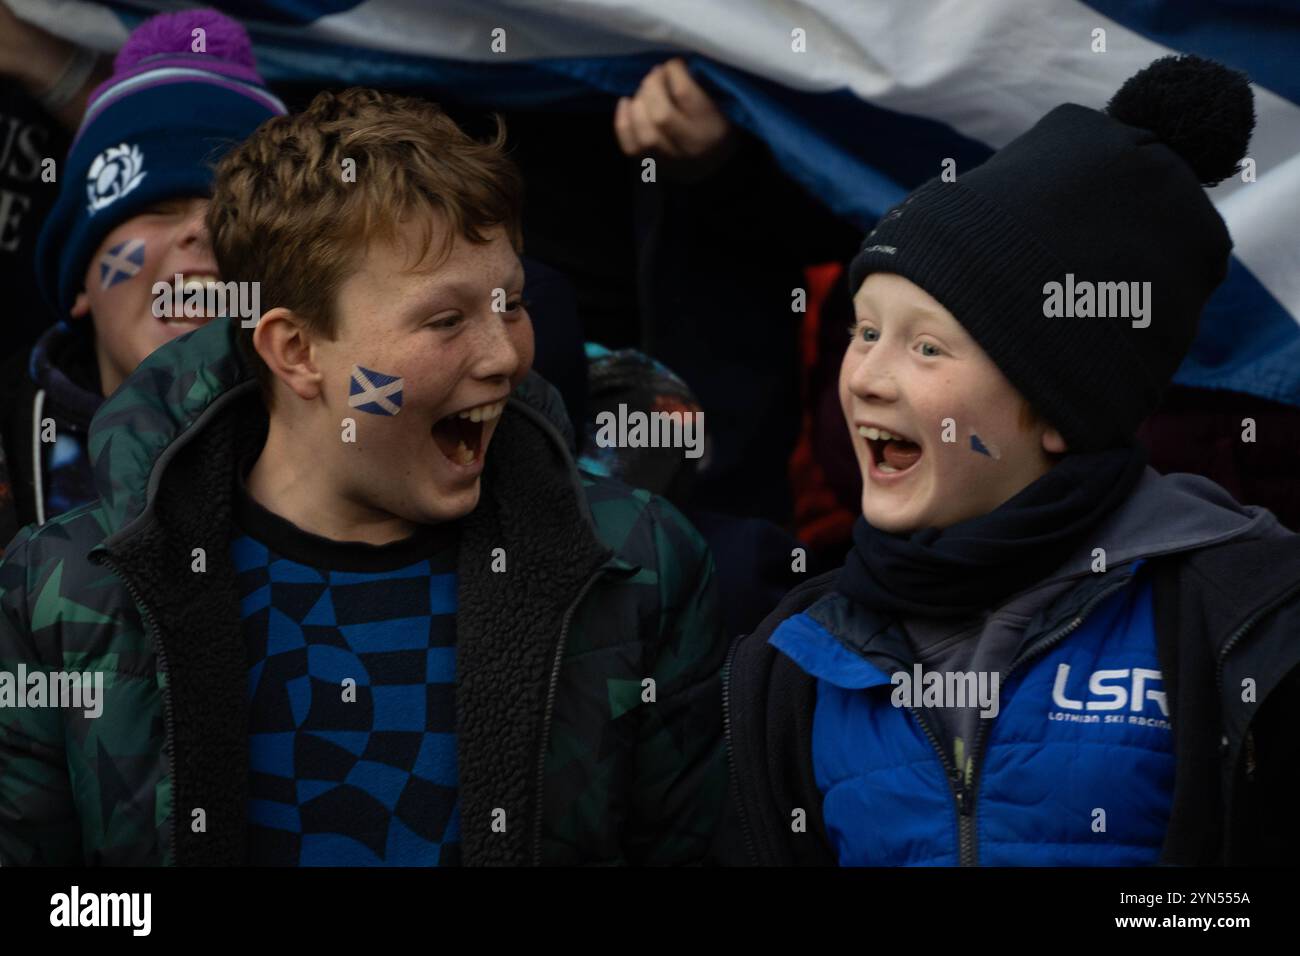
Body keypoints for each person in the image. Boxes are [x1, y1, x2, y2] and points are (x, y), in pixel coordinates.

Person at [0, 84, 725, 866]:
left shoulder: (639, 571)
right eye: (446, 321)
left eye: (509, 304)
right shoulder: (64, 594)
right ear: (297, 351)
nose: (506, 356)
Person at [715, 55, 1300, 866]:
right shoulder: (794, 661)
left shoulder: (1241, 617)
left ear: (1058, 409)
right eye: (865, 330)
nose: (869, 378)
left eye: (926, 347)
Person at [0, 7, 286, 549]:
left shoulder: (365, 452)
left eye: (235, 211)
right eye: (158, 207)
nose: (203, 228)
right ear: (79, 284)